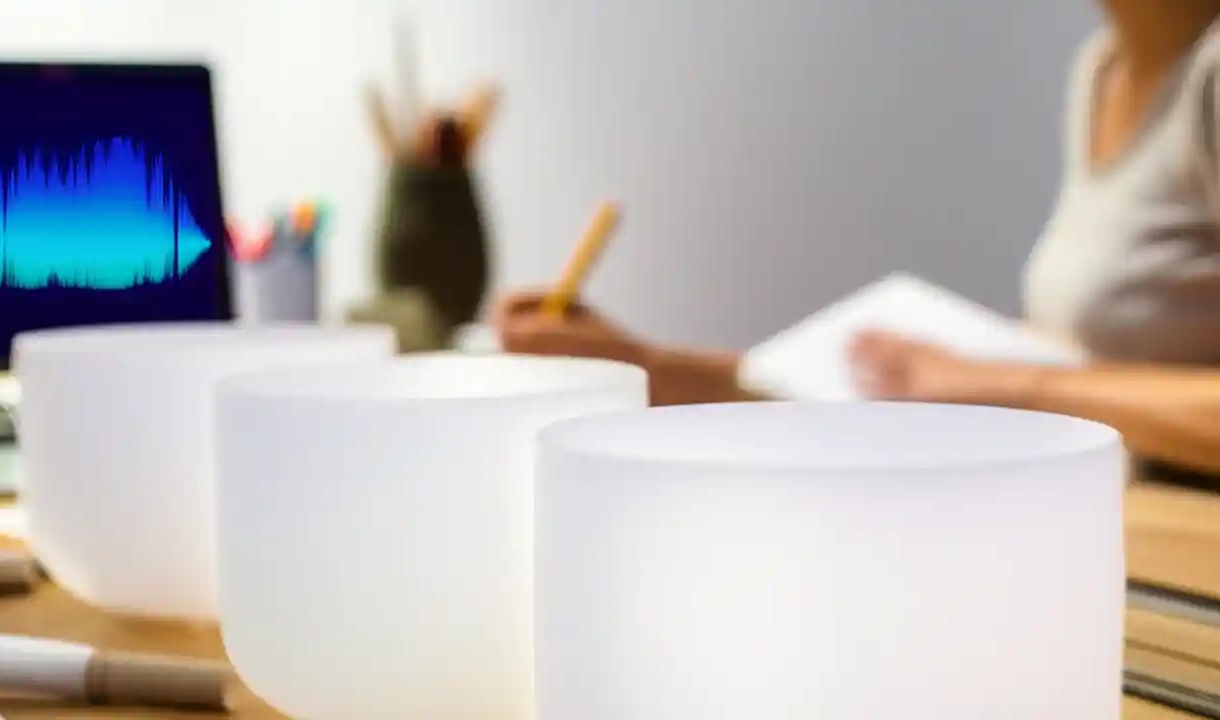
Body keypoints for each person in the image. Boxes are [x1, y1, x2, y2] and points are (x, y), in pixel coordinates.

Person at [496, 0, 1220, 476]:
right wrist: (640, 365)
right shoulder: (1104, 69)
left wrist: (1005, 385)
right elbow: (1097, 358)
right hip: (1111, 512)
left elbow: (1058, 380)